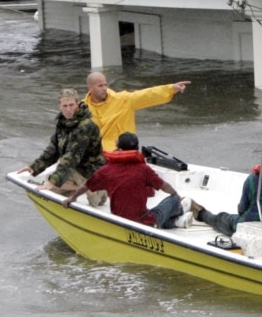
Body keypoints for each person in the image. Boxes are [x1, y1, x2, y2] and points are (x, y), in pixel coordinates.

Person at [62, 132, 193, 229]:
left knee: (157, 212)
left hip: (119, 222)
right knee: (174, 199)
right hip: (144, 222)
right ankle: (179, 210)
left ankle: (177, 222)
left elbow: (86, 185)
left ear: (119, 148)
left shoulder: (106, 170)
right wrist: (176, 195)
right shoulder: (144, 169)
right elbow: (164, 187)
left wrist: (73, 198)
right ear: (136, 149)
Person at [18, 88, 105, 203]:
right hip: (75, 168)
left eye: (71, 105)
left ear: (77, 104)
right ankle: (79, 189)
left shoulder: (85, 127)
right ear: (59, 106)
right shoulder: (63, 123)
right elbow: (53, 149)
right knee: (51, 187)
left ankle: (93, 191)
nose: (68, 109)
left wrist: (52, 182)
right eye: (65, 106)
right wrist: (34, 167)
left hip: (90, 169)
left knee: (51, 179)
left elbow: (72, 156)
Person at [84, 71, 192, 152]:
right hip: (98, 155)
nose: (104, 88)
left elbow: (147, 95)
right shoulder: (82, 108)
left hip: (123, 150)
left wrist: (170, 89)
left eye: (105, 85)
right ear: (90, 88)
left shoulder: (123, 100)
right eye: (100, 86)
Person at [191, 160, 262, 237]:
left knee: (221, 218)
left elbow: (242, 209)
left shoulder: (253, 179)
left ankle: (201, 213)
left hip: (248, 222)